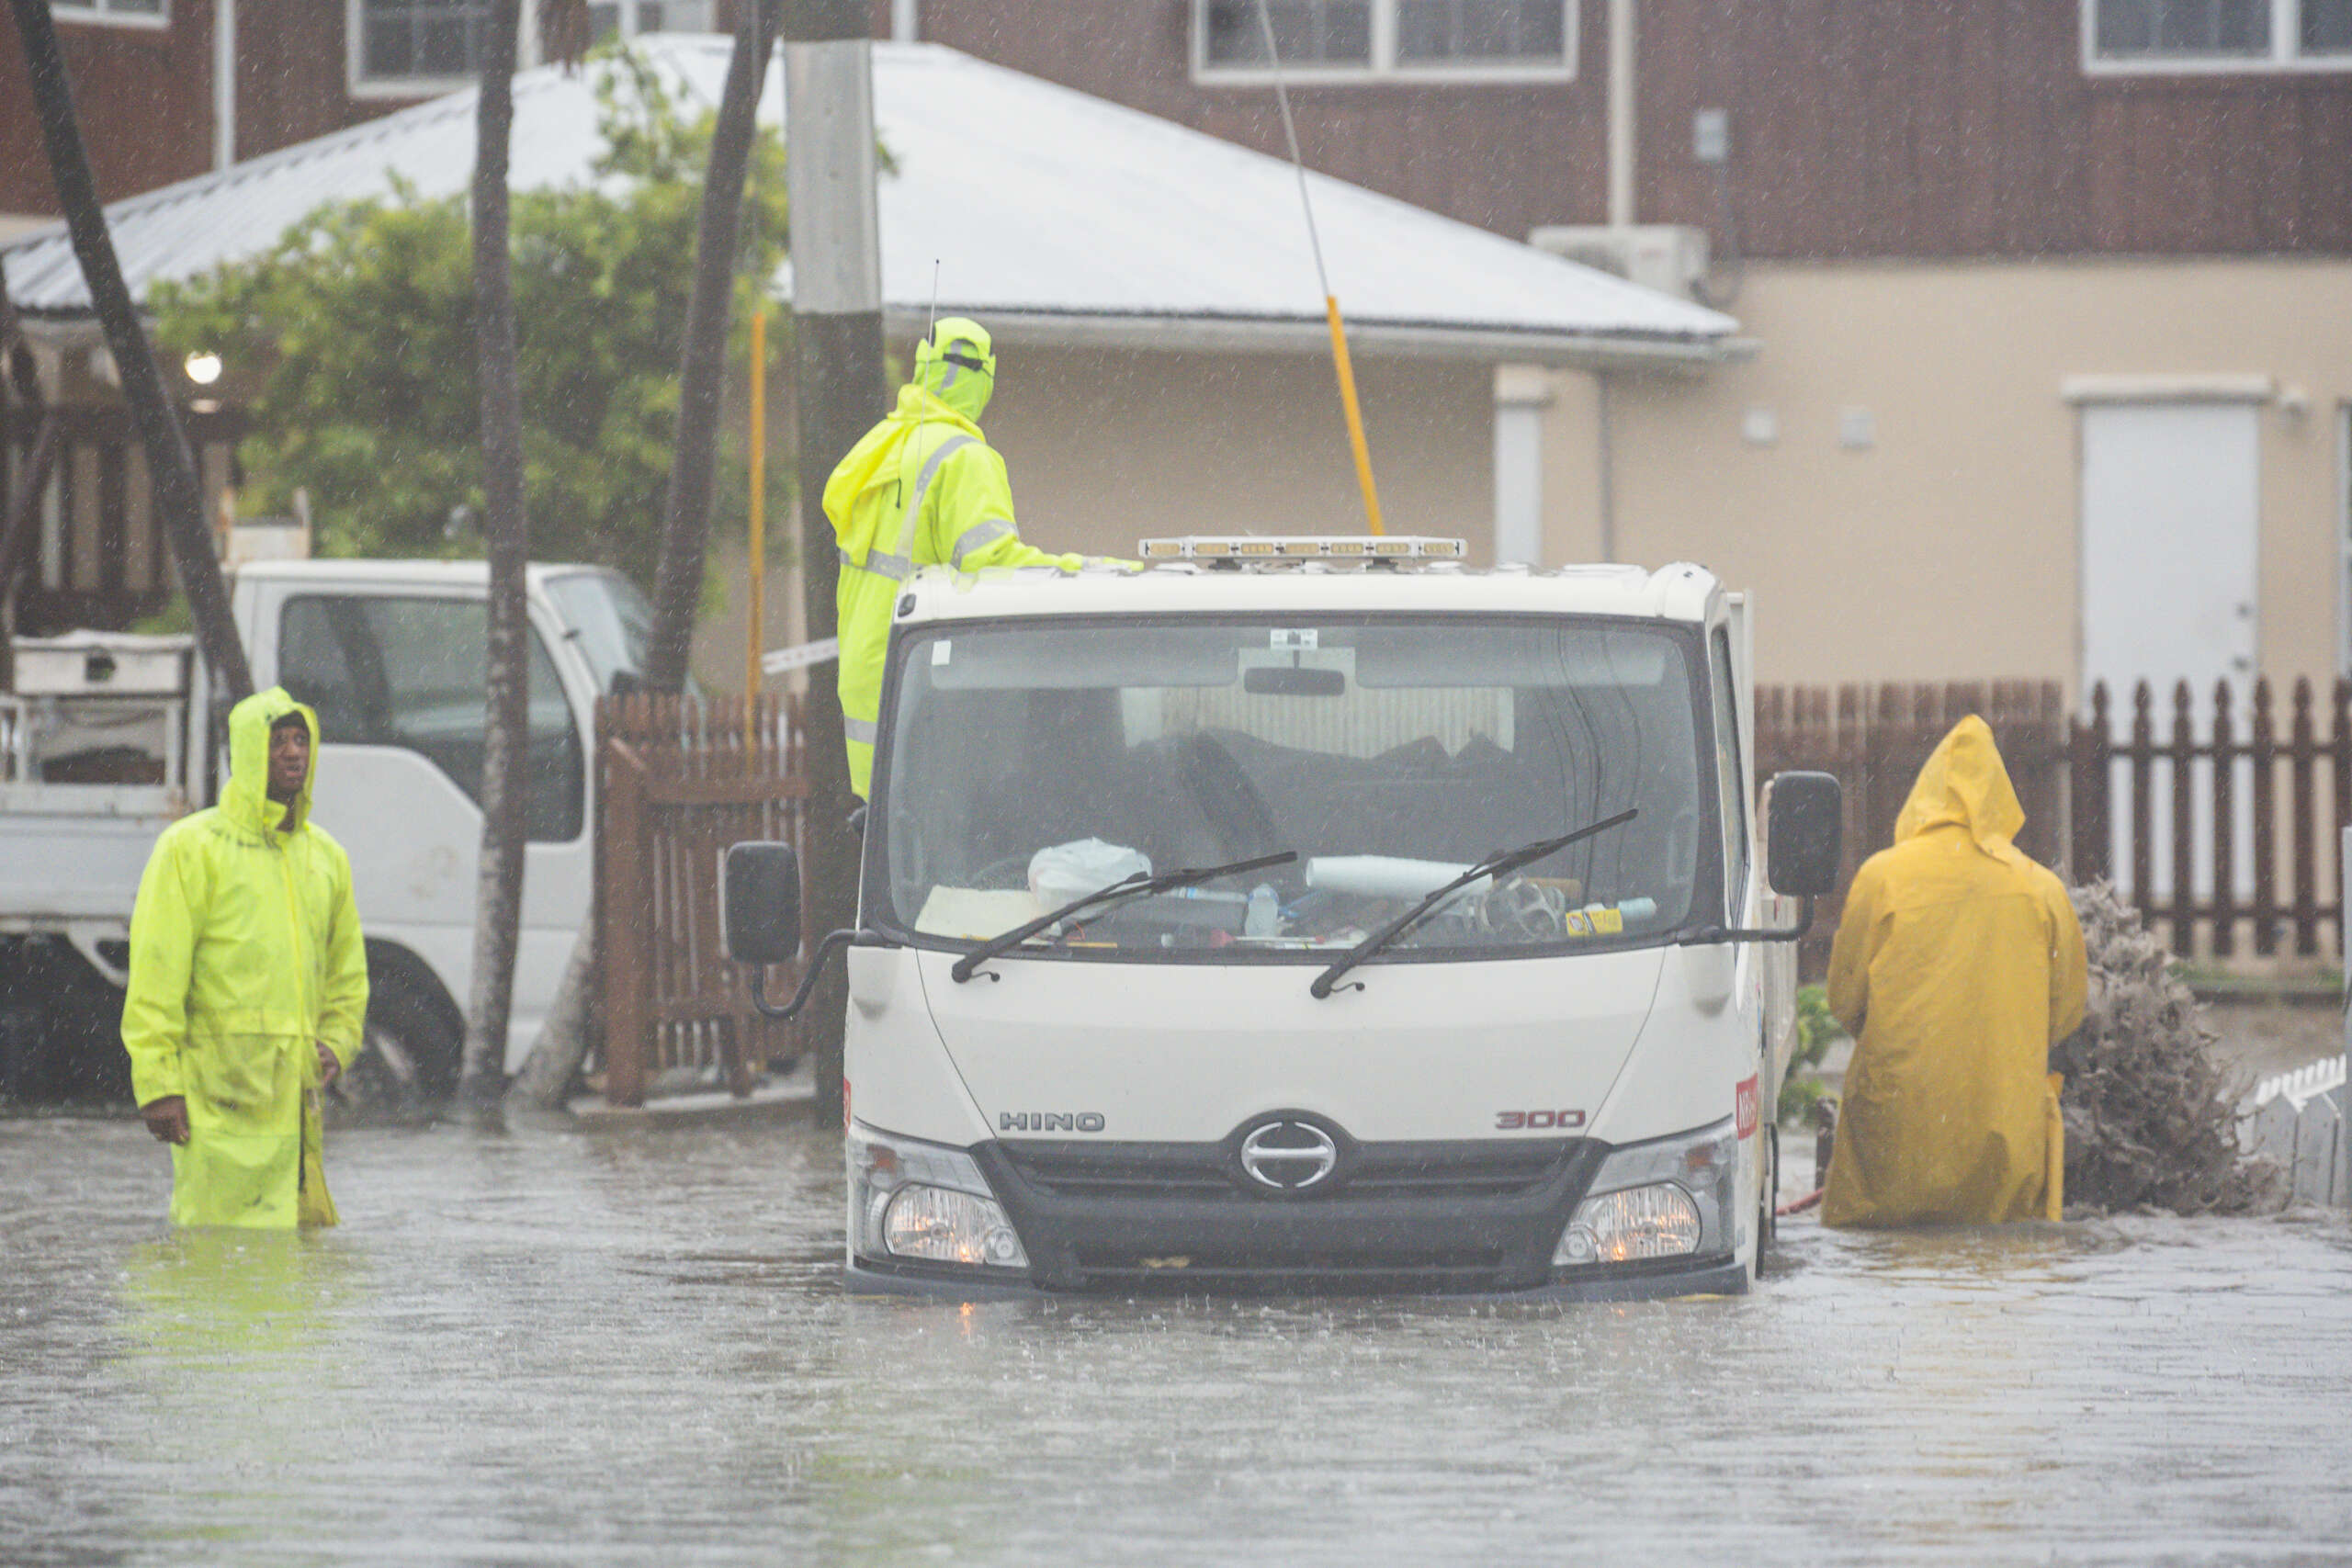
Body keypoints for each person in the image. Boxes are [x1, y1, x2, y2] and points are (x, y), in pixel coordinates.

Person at [1820, 715, 2086, 1227]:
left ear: (1927, 792)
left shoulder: (1883, 878)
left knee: (1886, 1257)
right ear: (2000, 797)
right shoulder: (2041, 890)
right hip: (2004, 1134)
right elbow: (2067, 1009)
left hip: (1896, 1130)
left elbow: (1843, 999)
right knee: (2001, 1258)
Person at [822, 316, 1101, 797]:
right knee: (939, 851)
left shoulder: (880, 447)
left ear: (921, 368)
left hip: (870, 677)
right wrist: (1085, 572)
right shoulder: (964, 457)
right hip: (925, 689)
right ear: (985, 380)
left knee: (887, 843)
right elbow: (994, 565)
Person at [121, 687, 368, 1228]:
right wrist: (159, 1084)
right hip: (216, 1100)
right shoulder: (191, 849)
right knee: (215, 1256)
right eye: (277, 741)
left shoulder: (326, 858)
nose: (292, 753)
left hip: (294, 1106)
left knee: (288, 1266)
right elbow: (156, 974)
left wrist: (337, 1040)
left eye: (301, 740)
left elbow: (347, 971)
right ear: (248, 752)